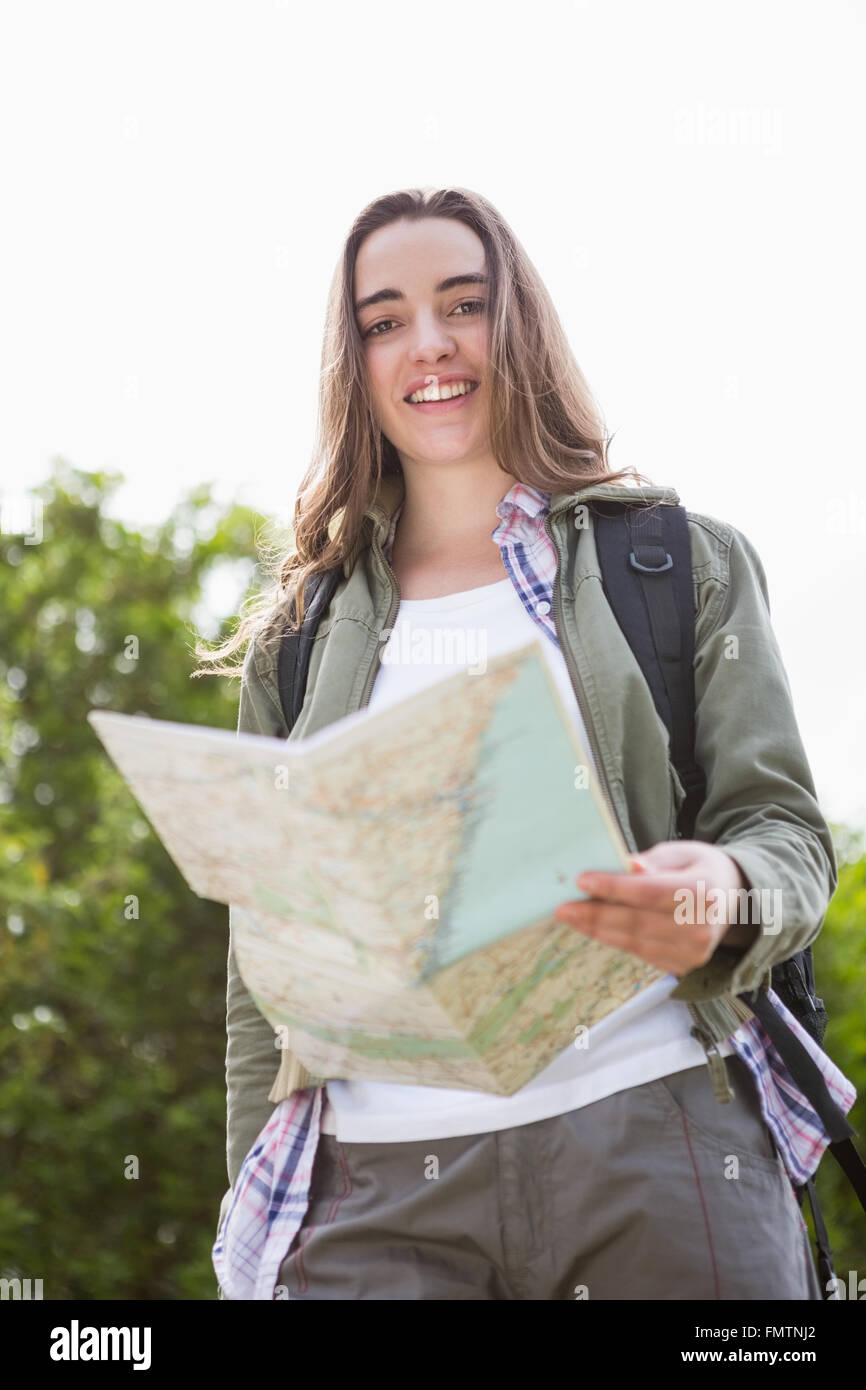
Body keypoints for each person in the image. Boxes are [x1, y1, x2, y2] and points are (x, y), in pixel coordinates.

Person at [199, 186, 854, 1301]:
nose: (430, 344)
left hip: (657, 1145)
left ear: (518, 326)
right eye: (383, 319)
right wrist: (251, 1203)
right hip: (373, 1199)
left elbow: (782, 829)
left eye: (463, 303)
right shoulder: (297, 642)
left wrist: (722, 886)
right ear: (352, 360)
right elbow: (267, 972)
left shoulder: (675, 562)